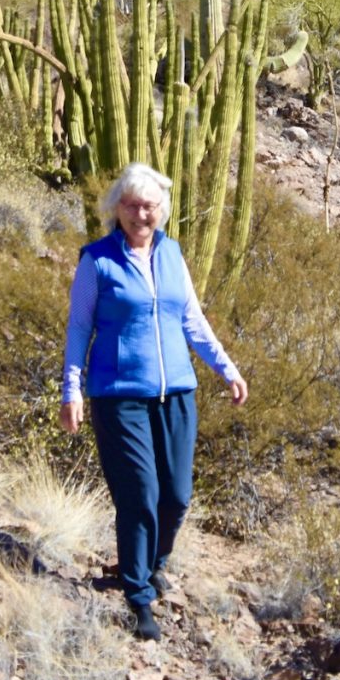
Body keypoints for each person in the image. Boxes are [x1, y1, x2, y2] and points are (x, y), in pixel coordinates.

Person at [61, 162, 249, 641]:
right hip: (119, 396)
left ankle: (154, 561)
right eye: (130, 205)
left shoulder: (172, 254)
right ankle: (138, 594)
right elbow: (80, 328)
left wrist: (226, 368)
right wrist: (71, 390)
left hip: (177, 392)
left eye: (148, 206)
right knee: (139, 496)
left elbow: (192, 320)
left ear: (160, 210)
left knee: (177, 496)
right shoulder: (97, 261)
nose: (139, 214)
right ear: (116, 208)